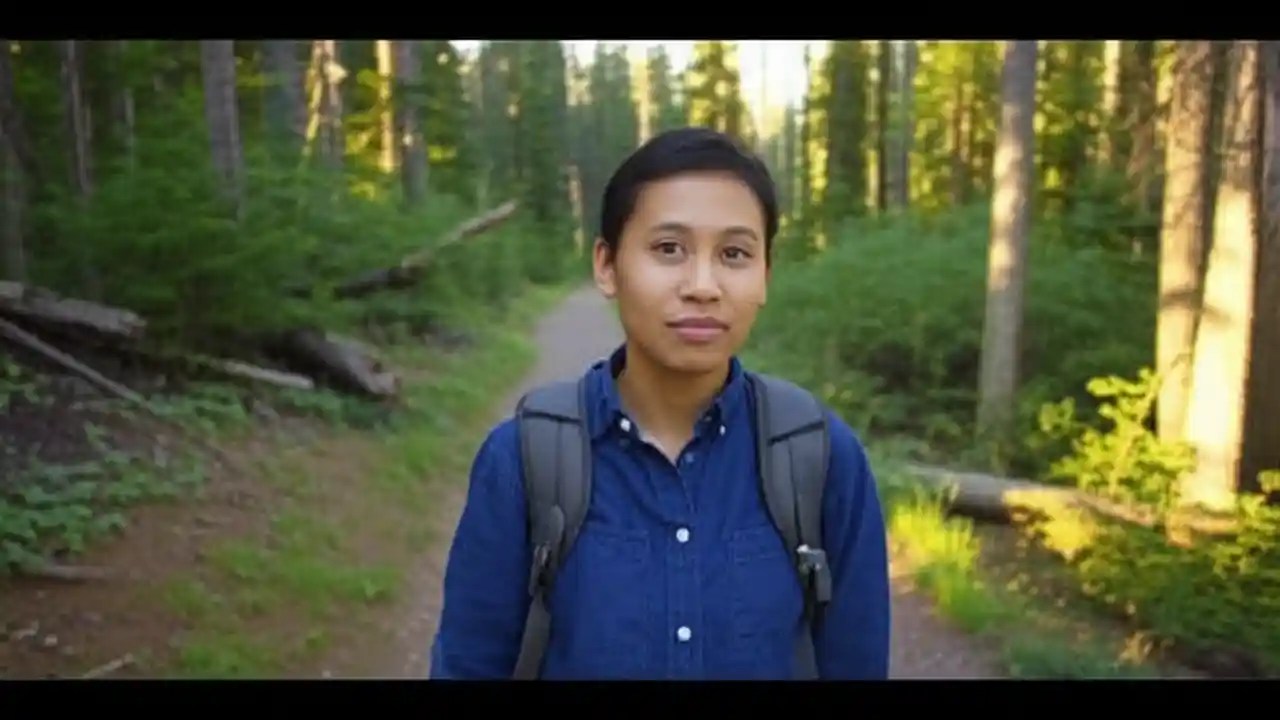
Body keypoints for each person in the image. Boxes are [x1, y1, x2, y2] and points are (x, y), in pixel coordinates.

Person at [428, 126, 891, 680]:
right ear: (607, 266)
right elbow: (469, 663)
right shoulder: (524, 460)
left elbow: (856, 662)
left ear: (766, 274)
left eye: (735, 254)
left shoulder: (821, 457)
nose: (703, 285)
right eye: (668, 249)